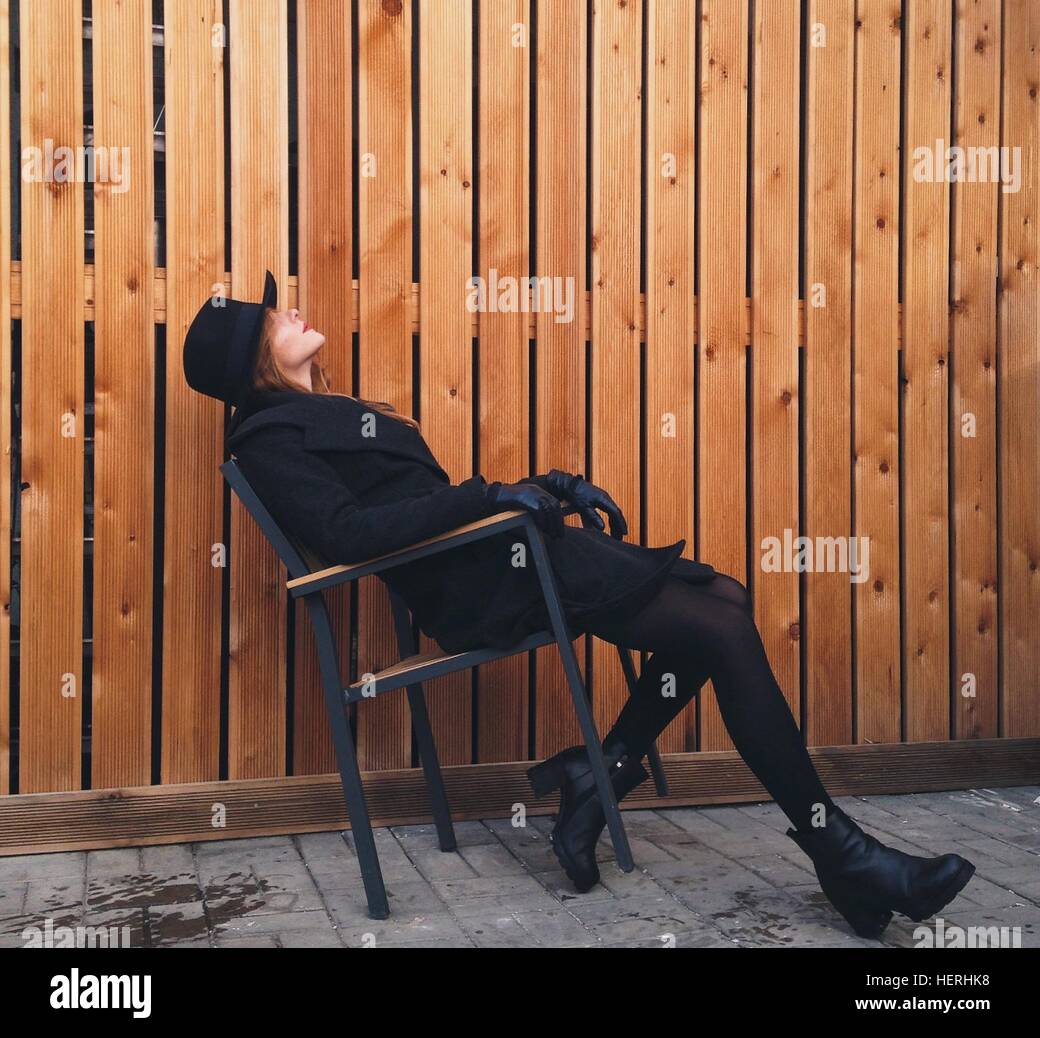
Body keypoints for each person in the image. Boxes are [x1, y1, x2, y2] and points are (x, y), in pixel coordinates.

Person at [182, 272, 976, 939]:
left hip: (500, 554)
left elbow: (416, 500)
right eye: (272, 317)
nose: (292, 310)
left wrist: (539, 489)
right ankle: (838, 854)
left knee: (723, 604)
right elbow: (349, 533)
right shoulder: (268, 438)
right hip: (476, 582)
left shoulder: (332, 408)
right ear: (255, 357)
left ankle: (598, 784)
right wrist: (491, 496)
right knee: (722, 624)